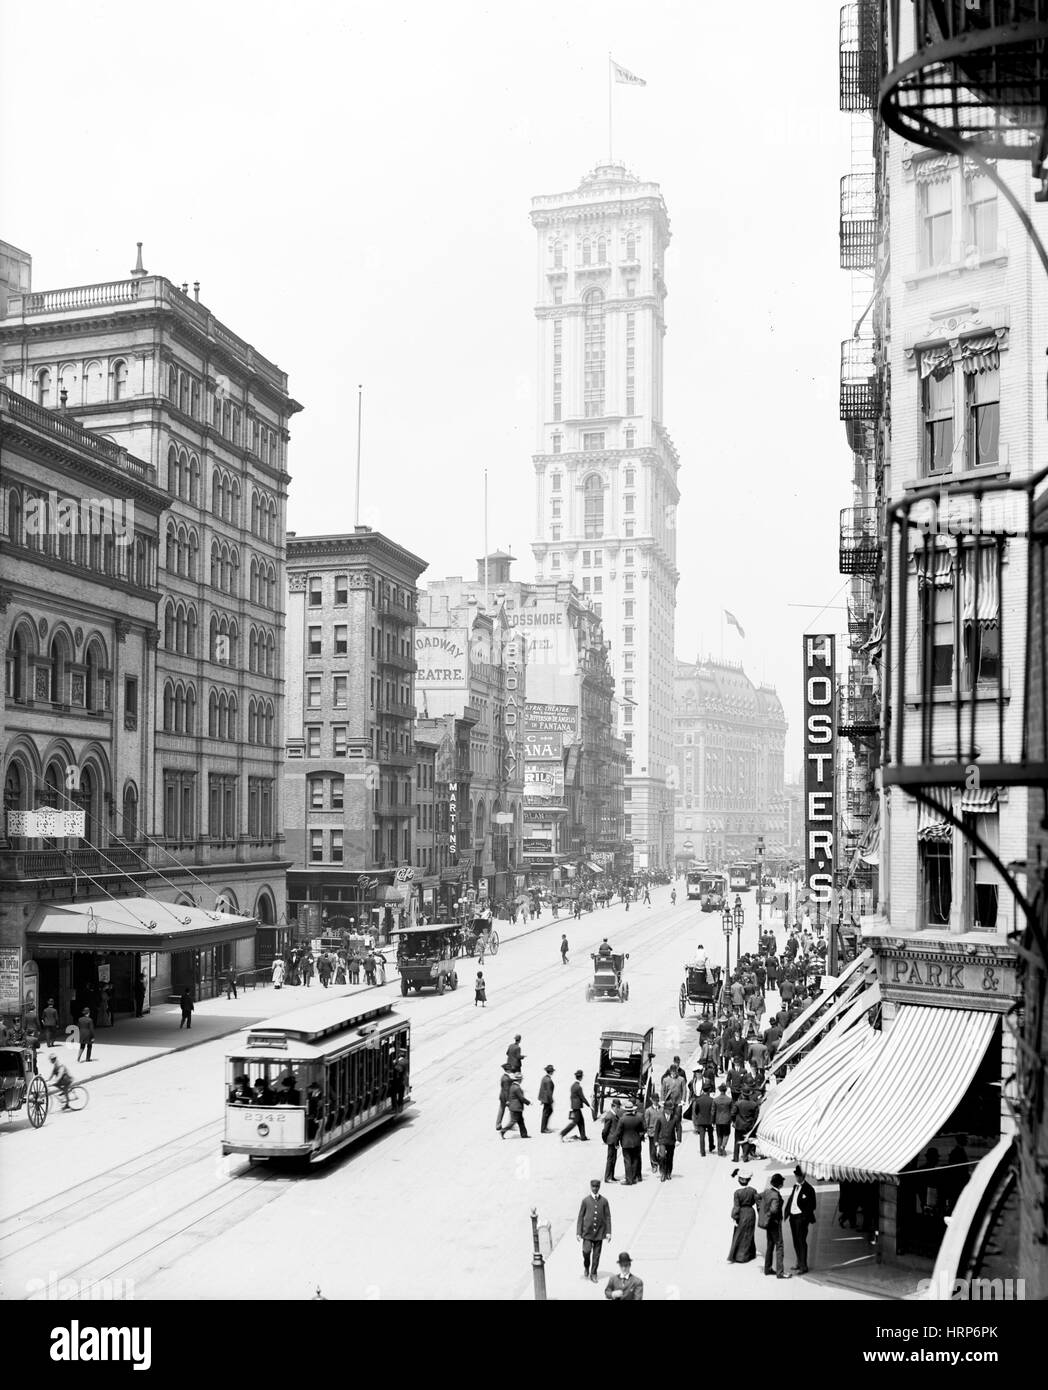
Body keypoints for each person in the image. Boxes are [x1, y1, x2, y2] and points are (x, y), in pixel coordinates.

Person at [576, 1179, 612, 1283]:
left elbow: (608, 1217)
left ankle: (594, 1273)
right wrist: (578, 1233)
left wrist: (608, 1232)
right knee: (586, 1251)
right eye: (593, 1187)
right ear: (591, 1187)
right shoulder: (585, 1201)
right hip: (587, 1232)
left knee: (596, 1255)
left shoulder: (604, 1201)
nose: (595, 1189)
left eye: (597, 1187)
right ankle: (586, 1265)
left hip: (599, 1232)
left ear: (599, 1187)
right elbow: (580, 1217)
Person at [785, 1164, 817, 1274]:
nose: (797, 1178)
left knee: (801, 1241)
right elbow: (792, 1200)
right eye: (796, 1176)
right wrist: (788, 1212)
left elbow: (812, 1205)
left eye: (799, 1176)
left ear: (804, 1176)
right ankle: (799, 1262)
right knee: (795, 1241)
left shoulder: (809, 1189)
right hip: (793, 1218)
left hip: (801, 1219)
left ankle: (804, 1266)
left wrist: (804, 1218)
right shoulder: (795, 1186)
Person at [760, 1172, 790, 1279]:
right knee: (779, 1246)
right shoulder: (776, 1196)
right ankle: (780, 1272)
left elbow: (757, 1197)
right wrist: (772, 1216)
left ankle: (767, 1269)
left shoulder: (767, 1192)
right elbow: (774, 1210)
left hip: (768, 1224)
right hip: (775, 1224)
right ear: (780, 1185)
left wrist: (762, 1212)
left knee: (770, 1245)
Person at [728, 1168, 758, 1262]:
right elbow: (758, 1202)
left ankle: (740, 1256)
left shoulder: (737, 1193)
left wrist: (734, 1217)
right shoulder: (753, 1190)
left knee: (739, 1234)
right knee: (749, 1233)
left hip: (742, 1213)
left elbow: (736, 1207)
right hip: (751, 1212)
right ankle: (750, 1253)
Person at [660, 1057, 687, 1143]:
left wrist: (683, 1100)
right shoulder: (665, 1080)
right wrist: (662, 1100)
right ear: (670, 1072)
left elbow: (684, 1090)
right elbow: (663, 1090)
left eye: (675, 1072)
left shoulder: (681, 1079)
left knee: (678, 1117)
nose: (674, 1073)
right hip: (669, 1102)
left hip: (678, 1101)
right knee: (667, 1117)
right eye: (672, 1072)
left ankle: (678, 1134)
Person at [618, 1102, 645, 1184]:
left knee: (627, 1161)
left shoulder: (622, 1119)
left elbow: (618, 1132)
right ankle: (634, 1178)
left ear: (625, 1110)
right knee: (635, 1160)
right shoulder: (638, 1118)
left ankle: (629, 1180)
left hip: (626, 1143)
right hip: (636, 1142)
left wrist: (616, 1142)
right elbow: (642, 1129)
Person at [731, 1088, 760, 1164]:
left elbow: (733, 1114)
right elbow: (756, 1116)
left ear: (742, 1094)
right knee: (747, 1141)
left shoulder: (738, 1103)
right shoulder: (754, 1104)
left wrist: (734, 1121)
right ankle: (745, 1156)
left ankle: (736, 1158)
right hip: (749, 1125)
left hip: (739, 1125)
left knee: (737, 1141)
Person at [560, 1070, 590, 1141]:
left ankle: (583, 1136)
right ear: (581, 1077)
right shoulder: (579, 1087)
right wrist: (589, 1105)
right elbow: (582, 1097)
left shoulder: (573, 1085)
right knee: (575, 1122)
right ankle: (563, 1133)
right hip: (577, 1107)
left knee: (581, 1121)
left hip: (574, 1106)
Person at [499, 1073, 531, 1139]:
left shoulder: (512, 1086)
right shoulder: (517, 1088)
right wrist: (528, 1102)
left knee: (521, 1121)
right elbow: (521, 1098)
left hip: (514, 1107)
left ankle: (524, 1134)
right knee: (513, 1121)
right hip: (516, 1107)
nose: (521, 1080)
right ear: (519, 1080)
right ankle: (503, 1131)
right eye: (521, 1079)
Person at [654, 1099, 677, 1181]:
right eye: (670, 1109)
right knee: (662, 1157)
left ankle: (668, 1173)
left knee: (670, 1158)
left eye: (672, 1109)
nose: (671, 1110)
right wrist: (656, 1141)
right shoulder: (660, 1118)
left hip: (671, 1141)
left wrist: (679, 1139)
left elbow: (679, 1128)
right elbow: (656, 1130)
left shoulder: (675, 1118)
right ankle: (662, 1173)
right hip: (662, 1141)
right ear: (665, 1109)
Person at [601, 1100, 623, 1182]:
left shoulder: (614, 1115)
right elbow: (604, 1131)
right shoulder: (609, 1116)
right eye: (617, 1107)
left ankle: (611, 1176)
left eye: (619, 1107)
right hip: (611, 1141)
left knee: (613, 1159)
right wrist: (606, 1140)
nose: (618, 1109)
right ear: (613, 1106)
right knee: (610, 1159)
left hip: (614, 1141)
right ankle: (607, 1177)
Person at [712, 1083, 733, 1156]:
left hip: (718, 1120)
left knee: (719, 1136)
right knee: (726, 1134)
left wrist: (712, 1121)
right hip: (727, 1120)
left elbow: (713, 1111)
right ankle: (723, 1146)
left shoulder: (715, 1100)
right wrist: (732, 1119)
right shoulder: (729, 1100)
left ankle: (719, 1151)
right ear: (726, 1090)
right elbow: (732, 1110)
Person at [538, 1064, 555, 1133]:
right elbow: (549, 1091)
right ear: (551, 1072)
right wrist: (551, 1100)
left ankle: (544, 1127)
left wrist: (542, 1099)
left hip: (544, 1098)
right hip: (547, 1099)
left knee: (547, 1112)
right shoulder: (548, 1080)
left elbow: (542, 1089)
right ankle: (543, 1128)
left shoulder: (544, 1078)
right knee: (547, 1112)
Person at [496, 1066, 513, 1131]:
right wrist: (508, 1100)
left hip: (502, 1096)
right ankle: (511, 1124)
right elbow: (506, 1090)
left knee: (501, 1110)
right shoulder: (506, 1079)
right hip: (506, 1097)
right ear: (508, 1070)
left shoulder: (504, 1077)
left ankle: (498, 1124)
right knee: (512, 1110)